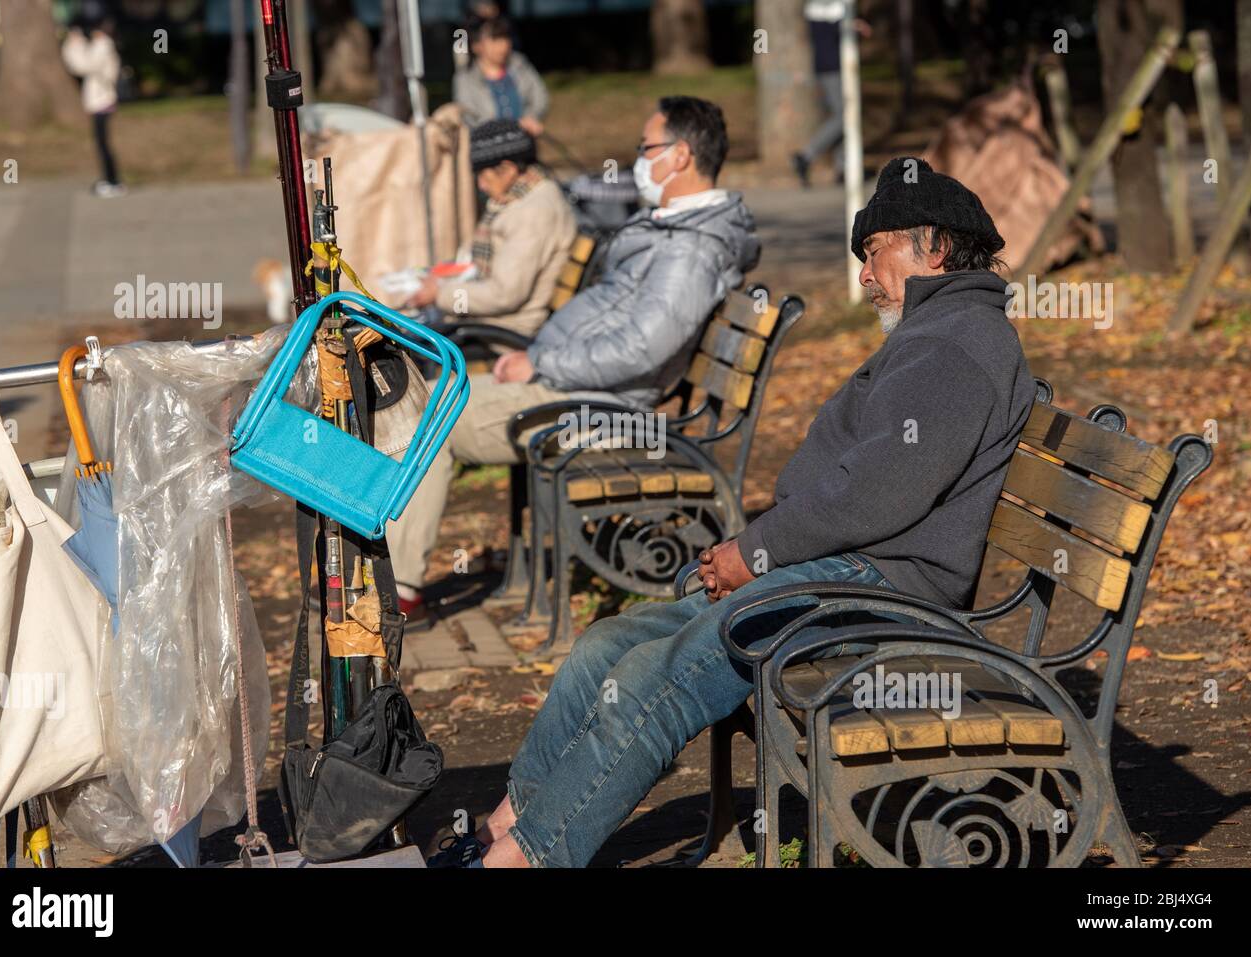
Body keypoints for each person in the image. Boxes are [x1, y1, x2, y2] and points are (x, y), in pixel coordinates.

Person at [429, 156, 1036, 867]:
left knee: (660, 672)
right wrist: (762, 549)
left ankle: (527, 859)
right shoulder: (937, 331)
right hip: (838, 567)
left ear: (932, 247)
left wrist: (756, 552)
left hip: (880, 591)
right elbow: (865, 488)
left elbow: (878, 493)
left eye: (874, 253)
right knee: (607, 648)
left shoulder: (953, 346)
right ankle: (510, 823)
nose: (865, 276)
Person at [386, 96, 760, 623]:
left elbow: (640, 348)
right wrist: (539, 358)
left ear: (679, 156)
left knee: (431, 418)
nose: (637, 159)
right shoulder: (677, 231)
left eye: (645, 147)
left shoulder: (692, 249)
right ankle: (388, 574)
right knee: (420, 397)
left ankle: (397, 592)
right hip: (578, 386)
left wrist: (542, 365)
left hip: (600, 405)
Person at [403, 120, 576, 338]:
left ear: (508, 169)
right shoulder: (519, 199)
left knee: (402, 341)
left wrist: (439, 294)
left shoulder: (532, 213)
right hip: (494, 321)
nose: (481, 186)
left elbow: (504, 295)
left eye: (484, 176)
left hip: (505, 330)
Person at [790, 0, 870, 188]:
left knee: (843, 117)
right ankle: (805, 156)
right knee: (843, 117)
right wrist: (853, 25)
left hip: (829, 68)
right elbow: (834, 29)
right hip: (833, 69)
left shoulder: (822, 12)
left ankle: (842, 167)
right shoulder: (823, 11)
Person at [61, 7, 125, 198]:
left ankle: (113, 181)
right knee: (101, 144)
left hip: (103, 101)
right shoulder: (101, 45)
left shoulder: (103, 45)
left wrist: (74, 45)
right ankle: (109, 179)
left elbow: (85, 66)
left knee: (103, 144)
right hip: (99, 100)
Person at [453, 16, 548, 134]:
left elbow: (539, 97)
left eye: (505, 37)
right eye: (495, 39)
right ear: (476, 45)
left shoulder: (519, 65)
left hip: (524, 141)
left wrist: (531, 118)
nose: (503, 44)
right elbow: (468, 116)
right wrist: (505, 128)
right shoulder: (465, 79)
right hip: (487, 148)